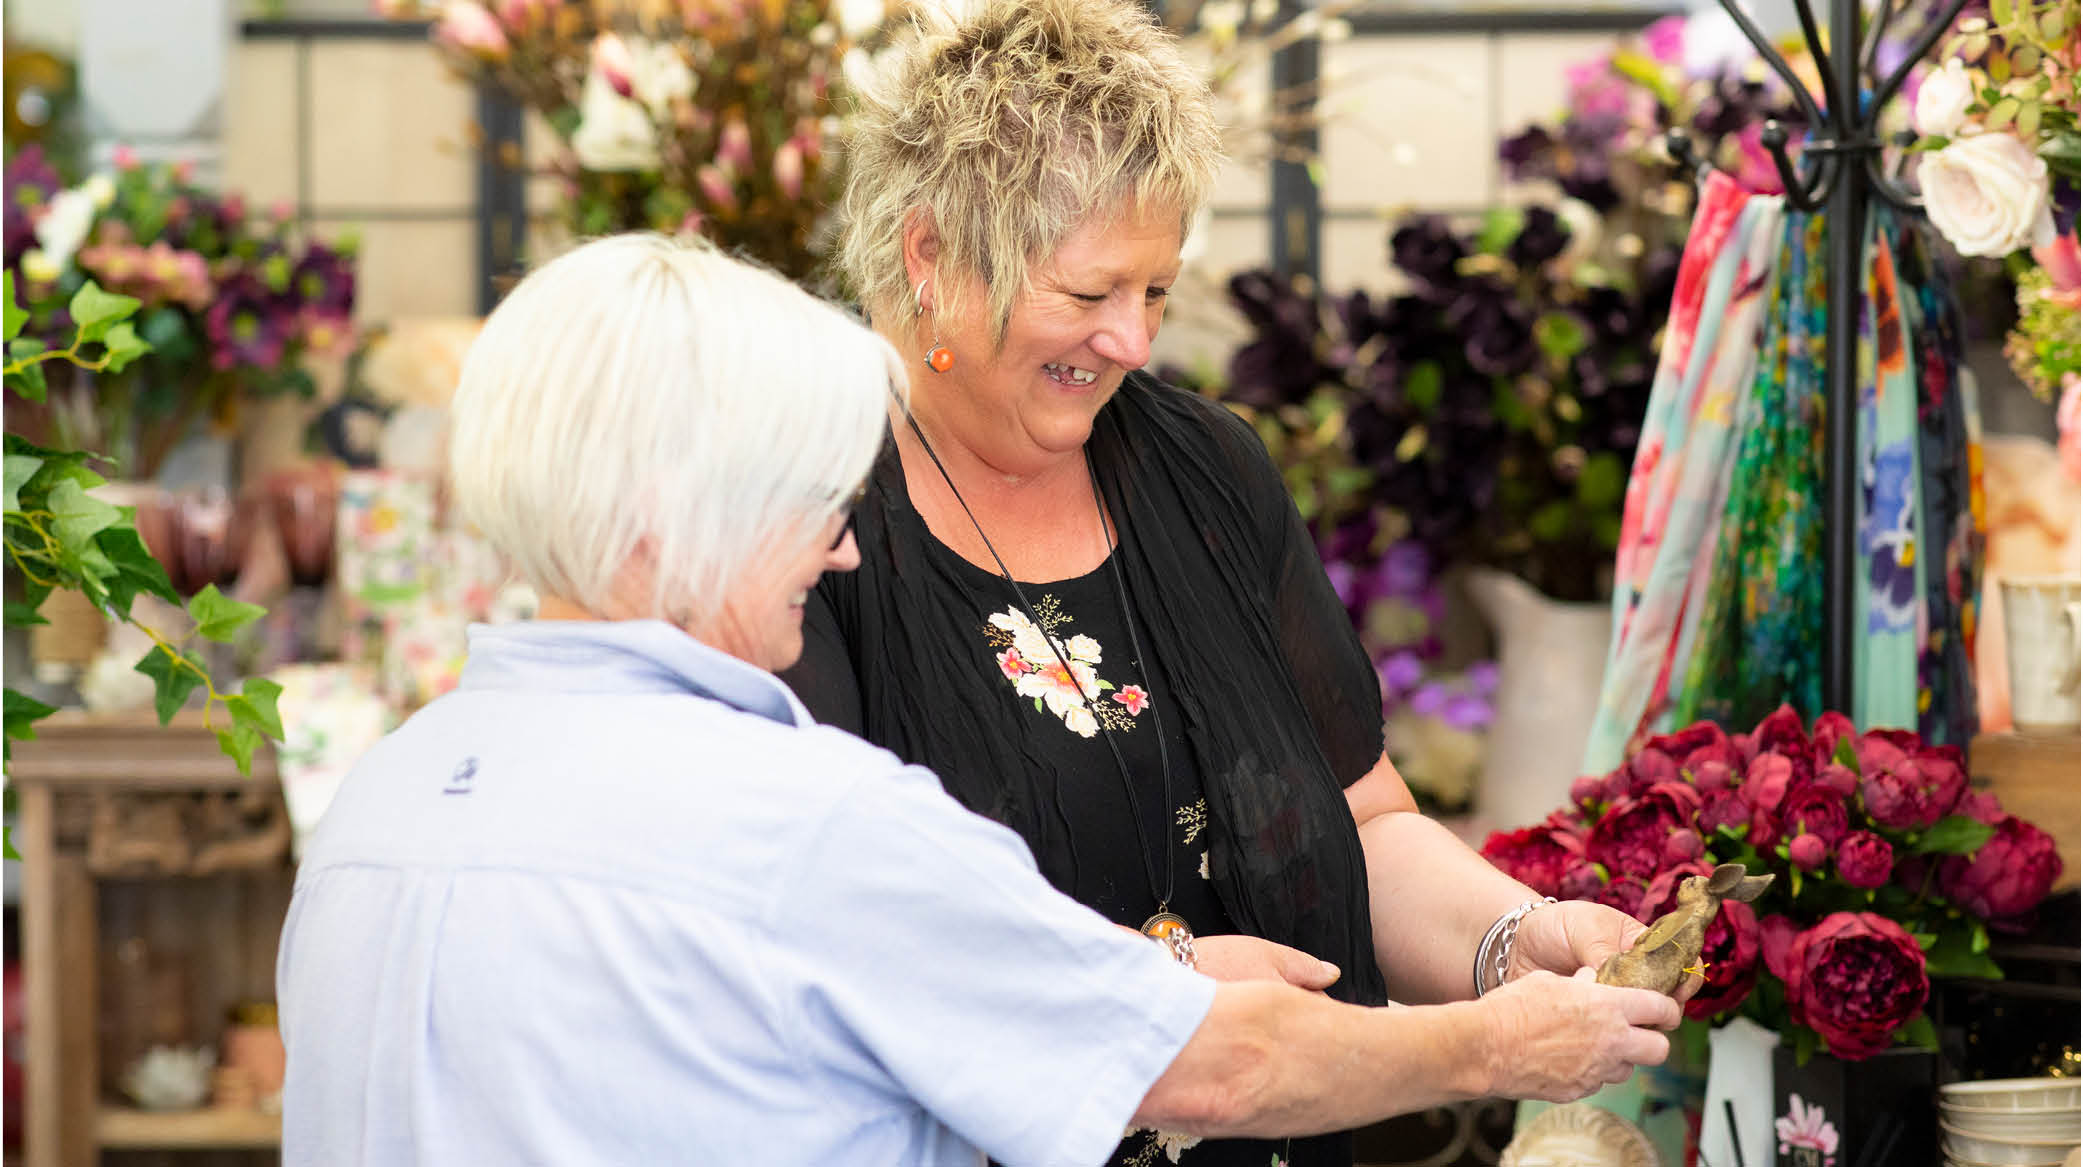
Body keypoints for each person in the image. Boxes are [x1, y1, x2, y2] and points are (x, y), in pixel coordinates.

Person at [276, 234, 1681, 1166]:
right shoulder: (801, 819)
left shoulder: (385, 789)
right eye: (806, 499)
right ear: (674, 515)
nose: (838, 543)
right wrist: (1504, 1043)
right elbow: (1215, 1065)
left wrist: (1162, 981)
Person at [781, 1, 1685, 1163]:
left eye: (1153, 292)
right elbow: (825, 938)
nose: (1131, 342)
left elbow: (1360, 821)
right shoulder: (805, 514)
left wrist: (1513, 939)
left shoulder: (1203, 470)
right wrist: (1154, 986)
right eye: (1087, 292)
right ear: (930, 255)